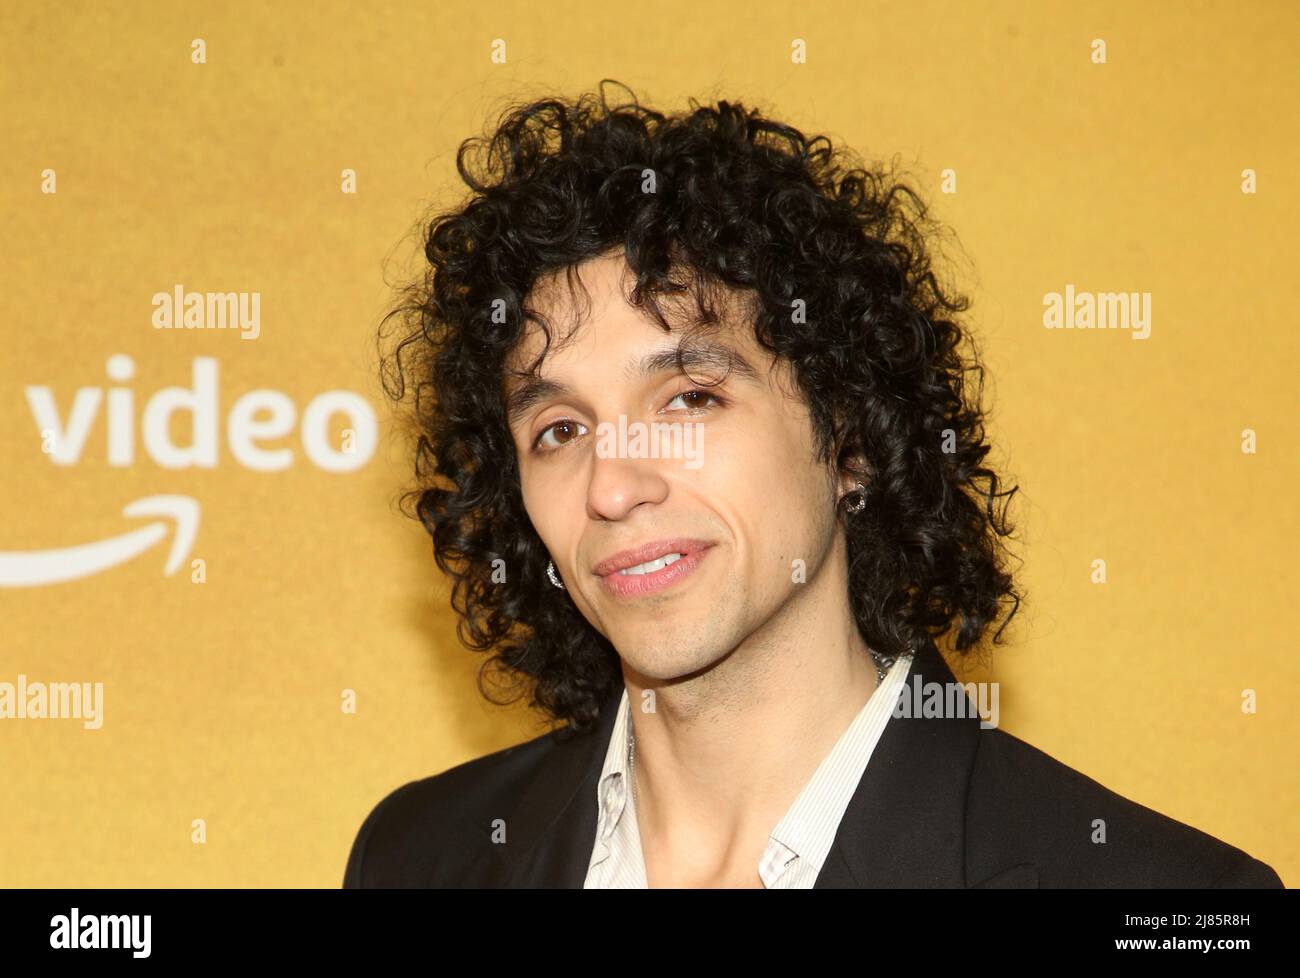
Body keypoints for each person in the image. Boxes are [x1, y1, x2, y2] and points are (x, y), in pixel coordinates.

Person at [344, 81, 1282, 888]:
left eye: (689, 398)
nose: (612, 485)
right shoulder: (422, 856)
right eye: (559, 429)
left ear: (852, 440)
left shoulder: (1160, 897)